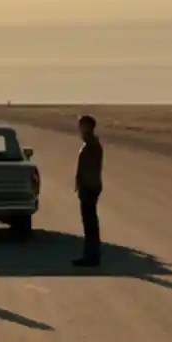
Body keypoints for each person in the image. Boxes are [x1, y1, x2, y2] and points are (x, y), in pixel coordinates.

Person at [73, 114, 103, 267]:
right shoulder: (90, 144)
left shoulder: (91, 145)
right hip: (90, 186)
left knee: (89, 223)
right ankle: (91, 254)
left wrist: (83, 185)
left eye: (81, 125)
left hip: (90, 187)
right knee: (89, 222)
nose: (79, 128)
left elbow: (90, 169)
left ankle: (91, 256)